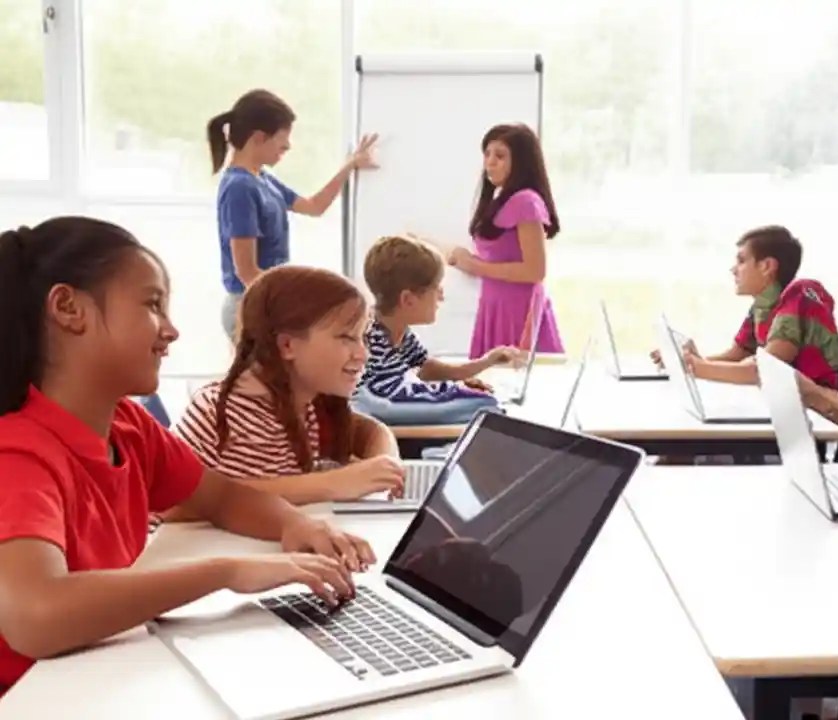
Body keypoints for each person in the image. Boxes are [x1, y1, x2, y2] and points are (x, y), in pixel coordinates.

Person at [0, 218, 372, 694]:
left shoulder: (129, 429)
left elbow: (219, 496)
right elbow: (36, 616)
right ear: (69, 308)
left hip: (89, 678)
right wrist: (225, 573)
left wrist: (294, 525)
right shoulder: (19, 453)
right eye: (153, 305)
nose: (171, 330)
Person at [173, 266, 406, 506]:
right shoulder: (224, 409)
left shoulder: (307, 402)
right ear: (287, 346)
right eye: (346, 338)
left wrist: (383, 467)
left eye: (362, 338)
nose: (362, 354)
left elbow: (369, 432)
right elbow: (184, 500)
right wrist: (334, 483)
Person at [207, 89, 379, 339]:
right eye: (282, 139)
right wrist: (292, 301)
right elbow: (246, 272)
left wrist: (350, 165)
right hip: (251, 308)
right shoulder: (239, 188)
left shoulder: (263, 179)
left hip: (266, 302)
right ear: (258, 138)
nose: (288, 146)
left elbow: (314, 206)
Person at [664, 225, 838, 434]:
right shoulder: (763, 305)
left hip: (811, 420)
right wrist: (692, 360)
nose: (733, 269)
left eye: (741, 261)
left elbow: (765, 369)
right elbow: (738, 354)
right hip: (785, 409)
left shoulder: (798, 297)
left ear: (767, 266)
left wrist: (697, 367)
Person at [356, 235, 522, 426]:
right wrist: (458, 394)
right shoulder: (369, 341)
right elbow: (385, 403)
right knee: (488, 406)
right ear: (408, 300)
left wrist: (485, 363)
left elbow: (427, 369)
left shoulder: (400, 334)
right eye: (436, 288)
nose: (441, 297)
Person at [443, 123, 564, 358]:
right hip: (495, 305)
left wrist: (476, 266)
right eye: (487, 154)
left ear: (520, 162)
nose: (489, 162)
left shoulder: (526, 202)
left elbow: (535, 270)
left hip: (517, 310)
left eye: (500, 156)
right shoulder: (501, 201)